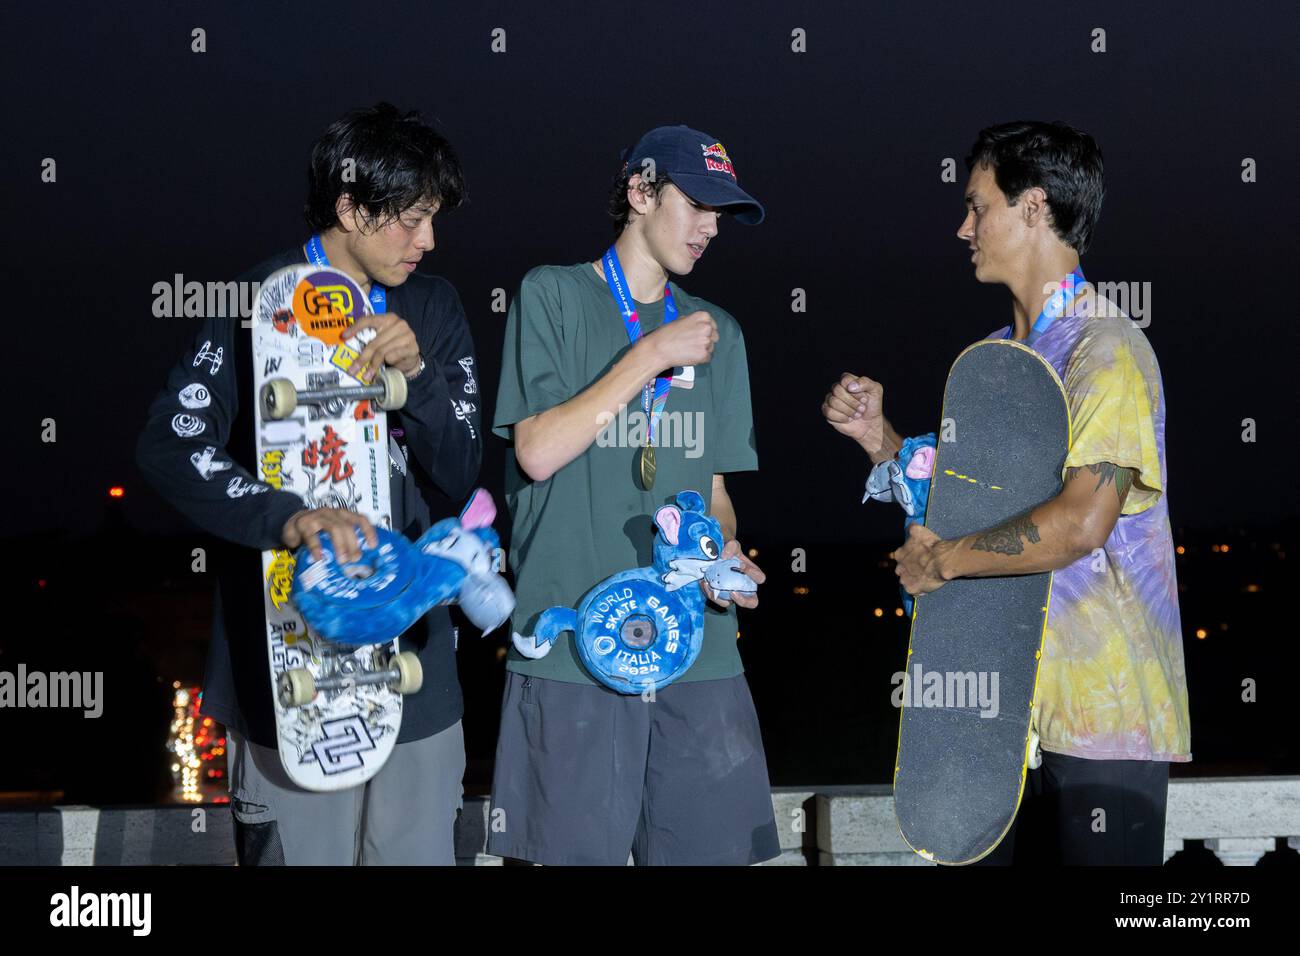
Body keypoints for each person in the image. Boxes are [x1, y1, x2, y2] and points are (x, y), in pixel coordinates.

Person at [823, 120, 1190, 865]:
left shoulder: (1106, 350)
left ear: (1033, 207)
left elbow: (1082, 523)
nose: (963, 228)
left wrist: (945, 562)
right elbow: (968, 505)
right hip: (1000, 720)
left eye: (977, 206)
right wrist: (882, 440)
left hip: (1101, 727)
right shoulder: (1001, 357)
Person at [136, 102, 483, 865]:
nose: (428, 241)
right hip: (286, 670)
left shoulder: (434, 305)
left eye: (433, 220)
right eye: (411, 219)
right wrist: (286, 518)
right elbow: (170, 443)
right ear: (351, 207)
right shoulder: (260, 301)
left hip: (417, 671)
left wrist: (417, 376)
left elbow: (461, 472)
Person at [488, 125, 780, 865]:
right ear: (640, 191)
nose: (713, 227)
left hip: (696, 650)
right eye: (699, 204)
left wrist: (726, 552)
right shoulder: (550, 294)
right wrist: (649, 353)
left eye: (725, 213)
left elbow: (712, 491)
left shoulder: (721, 335)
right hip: (574, 650)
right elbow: (538, 450)